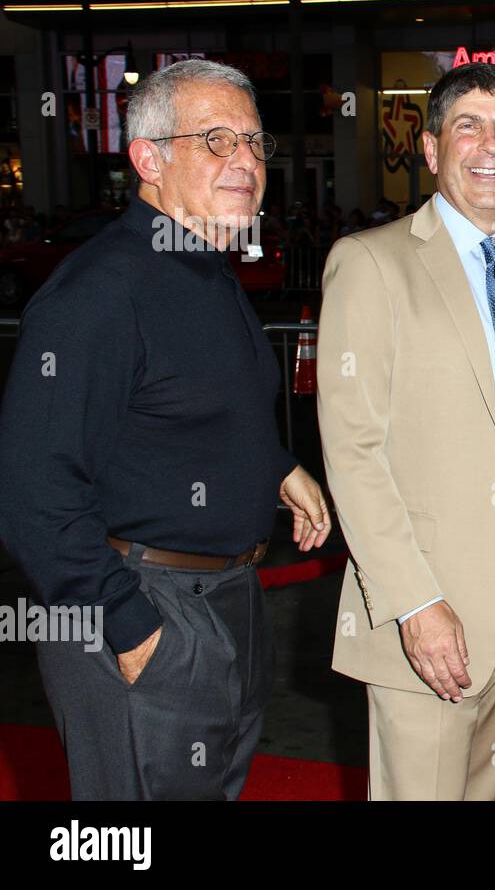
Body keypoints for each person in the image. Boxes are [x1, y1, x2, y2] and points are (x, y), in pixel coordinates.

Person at [0, 58, 332, 800]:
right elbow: (31, 484)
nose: (246, 161)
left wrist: (276, 465)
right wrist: (128, 625)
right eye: (216, 141)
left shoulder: (206, 269)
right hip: (144, 604)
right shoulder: (98, 293)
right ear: (148, 158)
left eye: (253, 141)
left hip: (231, 600)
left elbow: (184, 405)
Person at [317, 62, 495, 801]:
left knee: (493, 792)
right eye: (468, 126)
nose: (491, 145)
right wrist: (414, 602)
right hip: (431, 599)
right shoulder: (371, 264)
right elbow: (354, 451)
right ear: (433, 149)